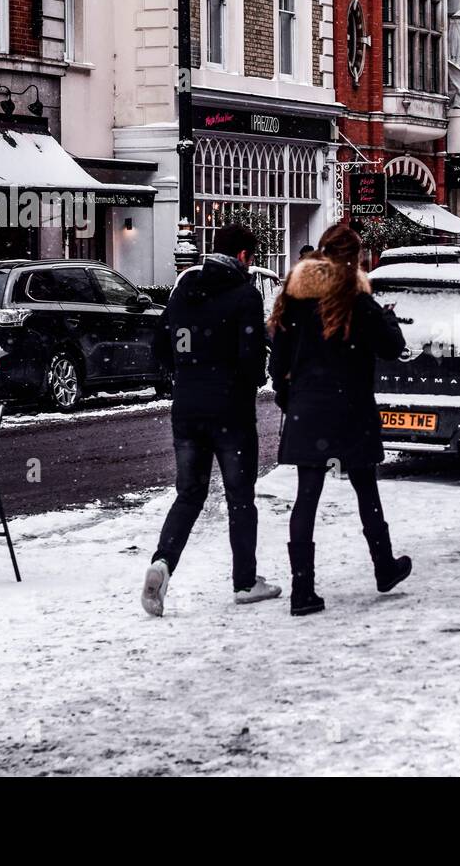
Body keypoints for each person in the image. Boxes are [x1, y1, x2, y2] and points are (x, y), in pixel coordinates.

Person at [268, 224, 410, 616]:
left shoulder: (293, 299)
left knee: (306, 500)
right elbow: (393, 348)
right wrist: (389, 319)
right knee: (367, 491)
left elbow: (277, 361)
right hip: (351, 409)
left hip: (309, 409)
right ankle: (384, 566)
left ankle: (303, 591)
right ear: (355, 259)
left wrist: (290, 396)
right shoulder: (358, 301)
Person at [141, 224, 281, 616]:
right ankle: (245, 581)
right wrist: (251, 379)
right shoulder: (244, 296)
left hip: (187, 409)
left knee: (189, 494)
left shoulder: (184, 291)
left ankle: (162, 562)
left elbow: (160, 346)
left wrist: (186, 372)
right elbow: (251, 358)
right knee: (240, 498)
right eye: (251, 259)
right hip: (231, 412)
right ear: (242, 257)